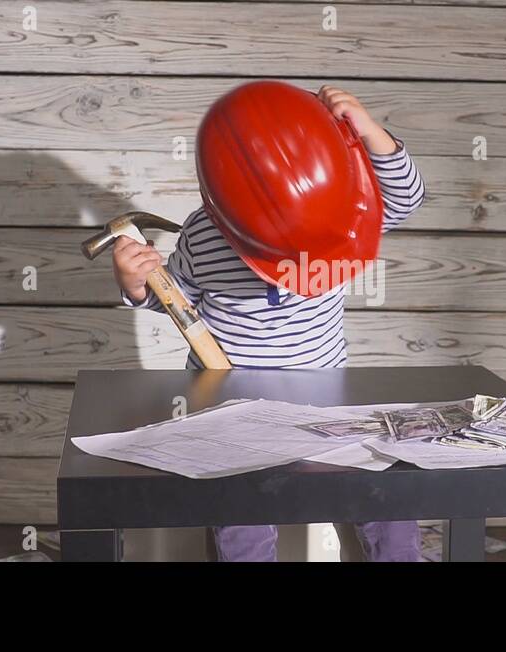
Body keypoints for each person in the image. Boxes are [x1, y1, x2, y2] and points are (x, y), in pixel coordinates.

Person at [112, 84, 426, 561]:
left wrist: (367, 129)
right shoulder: (204, 234)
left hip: (325, 398)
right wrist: (138, 284)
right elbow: (177, 300)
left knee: (388, 491)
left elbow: (405, 196)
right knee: (242, 512)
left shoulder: (341, 211)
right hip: (231, 404)